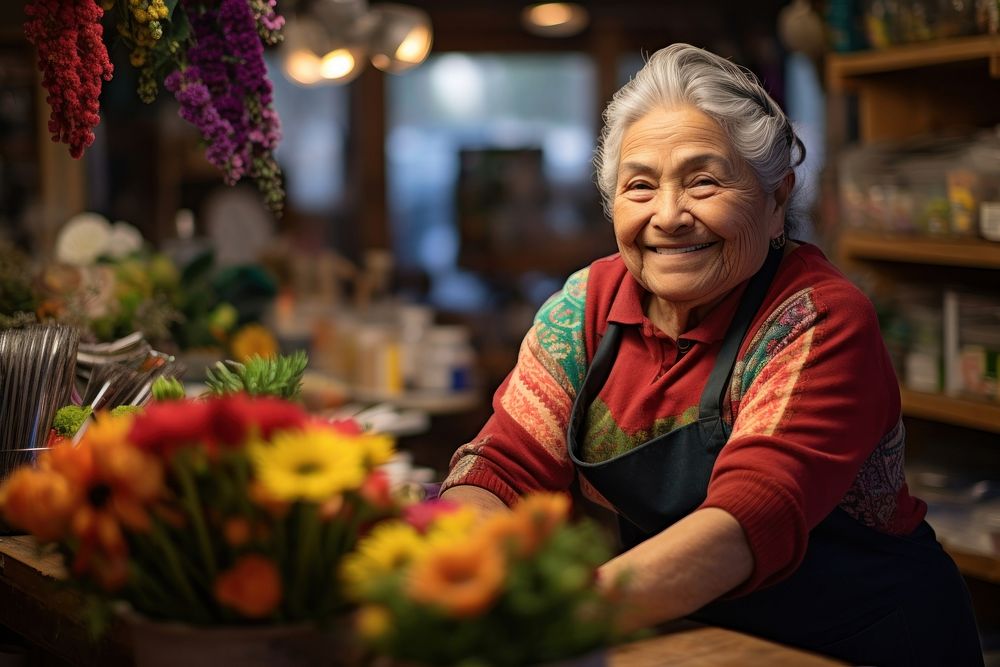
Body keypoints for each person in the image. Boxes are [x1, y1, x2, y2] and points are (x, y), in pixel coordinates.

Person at [439, 43, 983, 667]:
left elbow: (747, 515)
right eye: (639, 185)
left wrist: (560, 617)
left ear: (777, 199)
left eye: (703, 181)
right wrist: (452, 576)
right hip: (695, 632)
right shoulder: (585, 306)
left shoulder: (818, 317)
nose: (668, 216)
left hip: (858, 640)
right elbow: (502, 471)